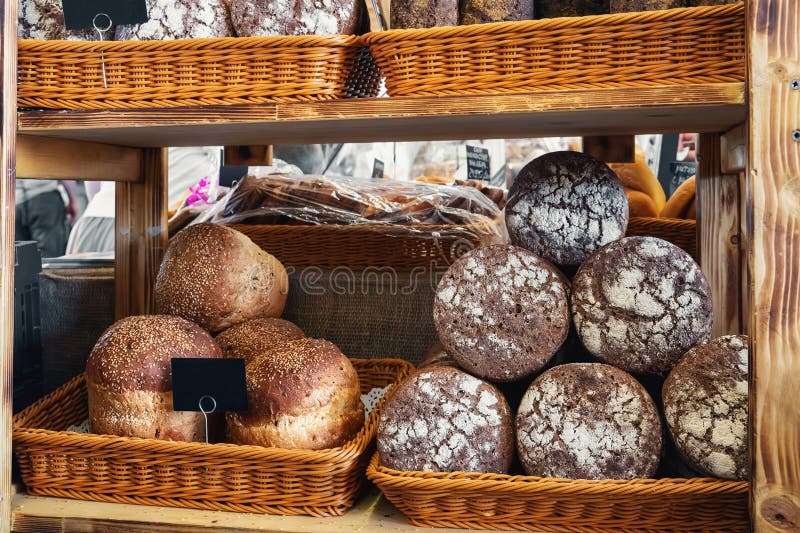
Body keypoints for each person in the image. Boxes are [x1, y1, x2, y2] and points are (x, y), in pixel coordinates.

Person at [15, 179, 75, 258]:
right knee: (49, 259)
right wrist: (71, 198)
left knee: (20, 260)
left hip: (15, 200)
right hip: (44, 195)